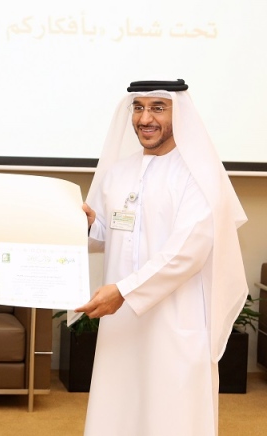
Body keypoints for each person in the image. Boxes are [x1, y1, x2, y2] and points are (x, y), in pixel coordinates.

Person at [77, 79, 248, 436]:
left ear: (179, 113)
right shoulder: (119, 172)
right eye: (138, 108)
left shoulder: (199, 176)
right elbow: (109, 235)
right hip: (122, 322)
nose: (145, 119)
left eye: (158, 108)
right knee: (118, 409)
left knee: (172, 415)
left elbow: (186, 253)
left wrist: (123, 291)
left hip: (176, 319)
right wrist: (89, 225)